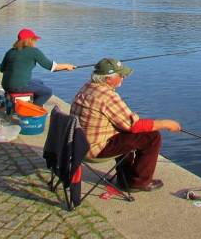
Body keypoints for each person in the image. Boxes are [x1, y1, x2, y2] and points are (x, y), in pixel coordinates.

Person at [70, 58, 181, 192]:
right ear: (108, 79)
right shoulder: (107, 96)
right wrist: (165, 123)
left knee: (126, 134)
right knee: (152, 137)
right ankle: (139, 182)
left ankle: (125, 179)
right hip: (92, 150)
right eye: (120, 75)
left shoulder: (87, 88)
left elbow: (126, 123)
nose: (123, 77)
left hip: (77, 146)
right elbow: (135, 125)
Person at [0, 28, 74, 106]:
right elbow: (51, 67)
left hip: (5, 85)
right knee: (47, 92)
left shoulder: (10, 51)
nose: (36, 41)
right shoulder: (34, 51)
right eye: (34, 39)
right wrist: (67, 66)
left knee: (39, 82)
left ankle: (28, 102)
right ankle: (33, 110)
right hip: (17, 87)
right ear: (29, 40)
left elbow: (1, 69)